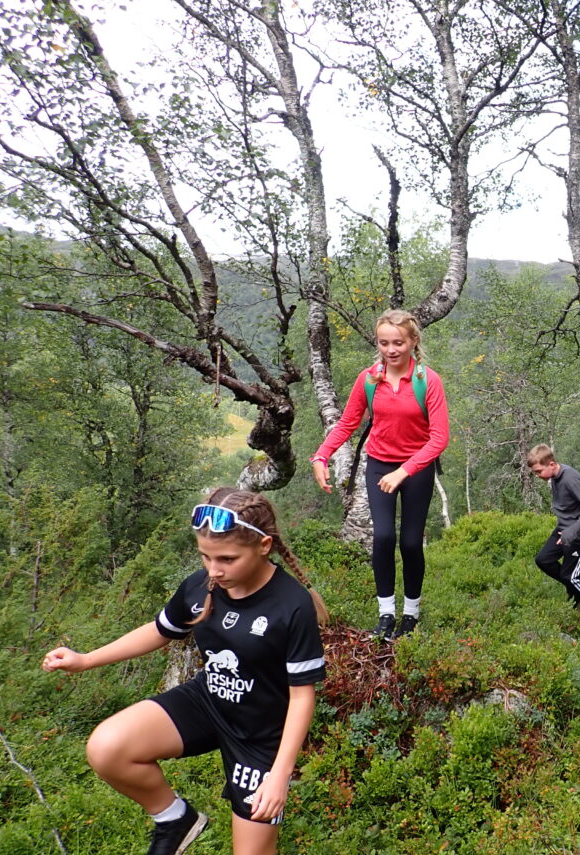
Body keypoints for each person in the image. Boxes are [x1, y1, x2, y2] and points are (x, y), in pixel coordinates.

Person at [41, 488, 326, 855]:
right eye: (205, 556)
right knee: (107, 747)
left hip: (260, 736)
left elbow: (302, 697)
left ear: (264, 545)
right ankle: (176, 818)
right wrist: (86, 659)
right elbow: (161, 630)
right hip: (207, 702)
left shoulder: (291, 605)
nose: (214, 570)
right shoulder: (201, 584)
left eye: (227, 558)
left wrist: (279, 776)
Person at [311, 309, 450, 639]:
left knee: (411, 542)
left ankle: (410, 616)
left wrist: (405, 470)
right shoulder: (369, 379)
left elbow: (439, 438)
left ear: (413, 342)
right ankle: (386, 615)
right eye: (384, 343)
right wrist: (322, 455)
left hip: (416, 467)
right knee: (384, 537)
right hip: (379, 465)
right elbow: (347, 422)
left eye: (398, 342)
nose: (391, 350)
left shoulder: (427, 381)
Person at [527, 444, 580, 607]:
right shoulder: (554, 477)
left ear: (551, 464)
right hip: (565, 528)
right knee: (543, 560)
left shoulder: (570, 478)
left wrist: (571, 532)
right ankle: (574, 590)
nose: (537, 475)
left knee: (571, 576)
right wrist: (566, 530)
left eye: (538, 471)